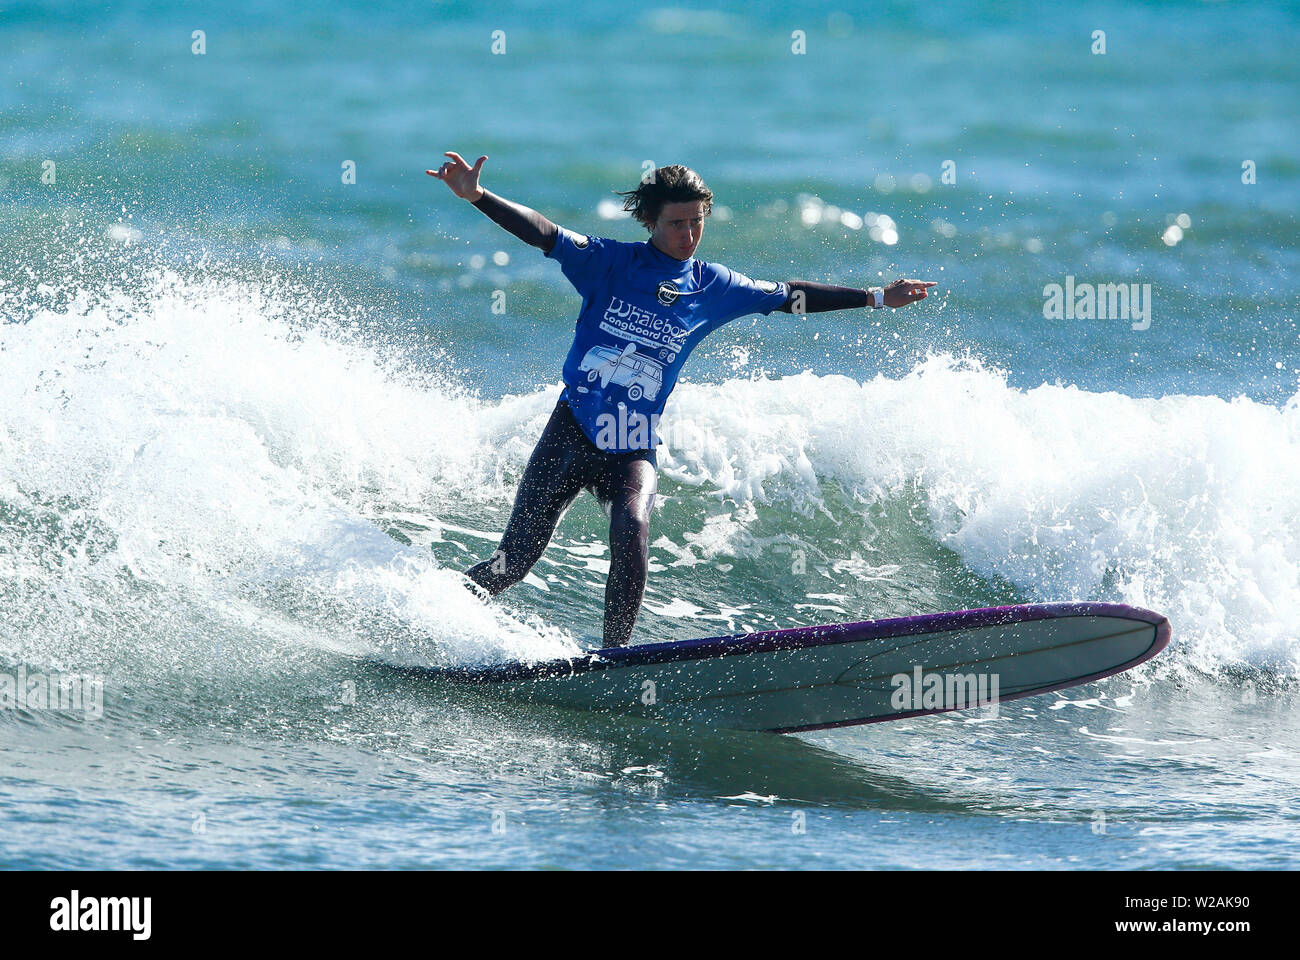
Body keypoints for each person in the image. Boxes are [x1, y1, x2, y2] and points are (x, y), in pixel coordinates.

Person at [428, 151, 935, 647]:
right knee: (514, 561)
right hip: (571, 430)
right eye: (676, 223)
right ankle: (432, 611)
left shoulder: (713, 285)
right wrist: (477, 197)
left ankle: (616, 659)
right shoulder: (608, 263)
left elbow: (788, 295)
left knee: (633, 530)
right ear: (649, 221)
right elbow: (545, 233)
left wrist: (874, 297)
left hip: (631, 443)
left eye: (697, 222)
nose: (689, 235)